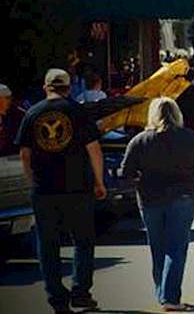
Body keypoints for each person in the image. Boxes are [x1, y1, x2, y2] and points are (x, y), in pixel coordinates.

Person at [17, 69, 106, 313]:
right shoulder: (79, 112)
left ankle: (57, 299)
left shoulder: (33, 113)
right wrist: (99, 182)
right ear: (68, 88)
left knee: (48, 245)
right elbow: (94, 149)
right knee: (83, 241)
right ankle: (81, 292)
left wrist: (31, 180)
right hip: (77, 187)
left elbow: (24, 154)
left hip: (44, 189)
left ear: (46, 87)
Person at [121, 97, 194, 311]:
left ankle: (163, 293)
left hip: (150, 199)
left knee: (157, 247)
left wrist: (141, 178)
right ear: (177, 114)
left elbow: (126, 172)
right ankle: (170, 296)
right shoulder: (190, 138)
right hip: (183, 197)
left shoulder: (140, 140)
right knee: (176, 247)